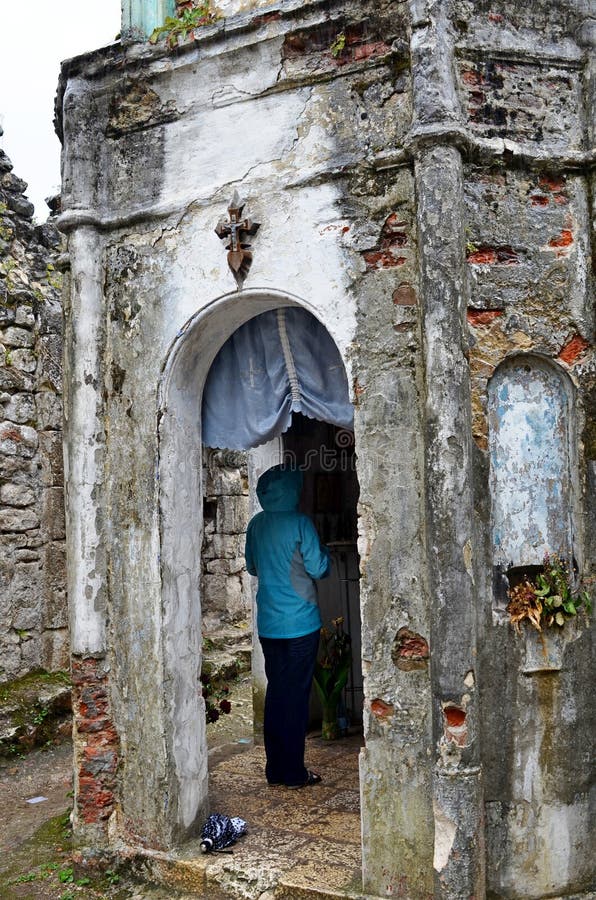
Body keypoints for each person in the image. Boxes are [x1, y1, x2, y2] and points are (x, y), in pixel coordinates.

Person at [245, 464, 330, 788]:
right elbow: (318, 568)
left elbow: (252, 567)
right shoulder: (300, 523)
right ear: (292, 491)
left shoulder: (256, 524)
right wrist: (323, 554)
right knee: (295, 697)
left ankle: (275, 769)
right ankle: (294, 772)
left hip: (269, 623)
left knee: (277, 693)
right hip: (301, 622)